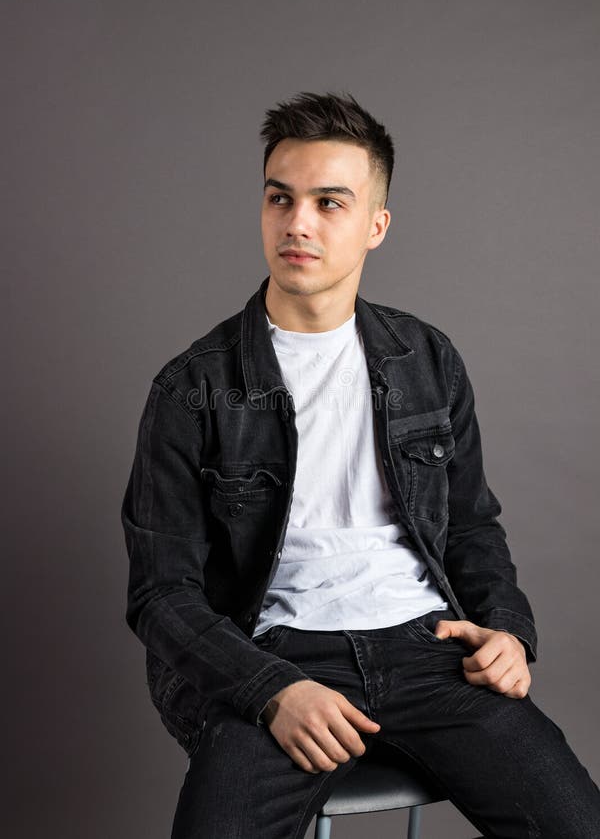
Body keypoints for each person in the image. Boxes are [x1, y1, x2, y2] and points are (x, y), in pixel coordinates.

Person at [121, 91, 600, 838]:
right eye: (281, 198)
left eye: (329, 202)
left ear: (376, 225)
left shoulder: (427, 359)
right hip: (277, 657)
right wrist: (271, 689)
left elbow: (473, 524)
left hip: (428, 651)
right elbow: (161, 595)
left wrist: (508, 628)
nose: (297, 222)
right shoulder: (195, 387)